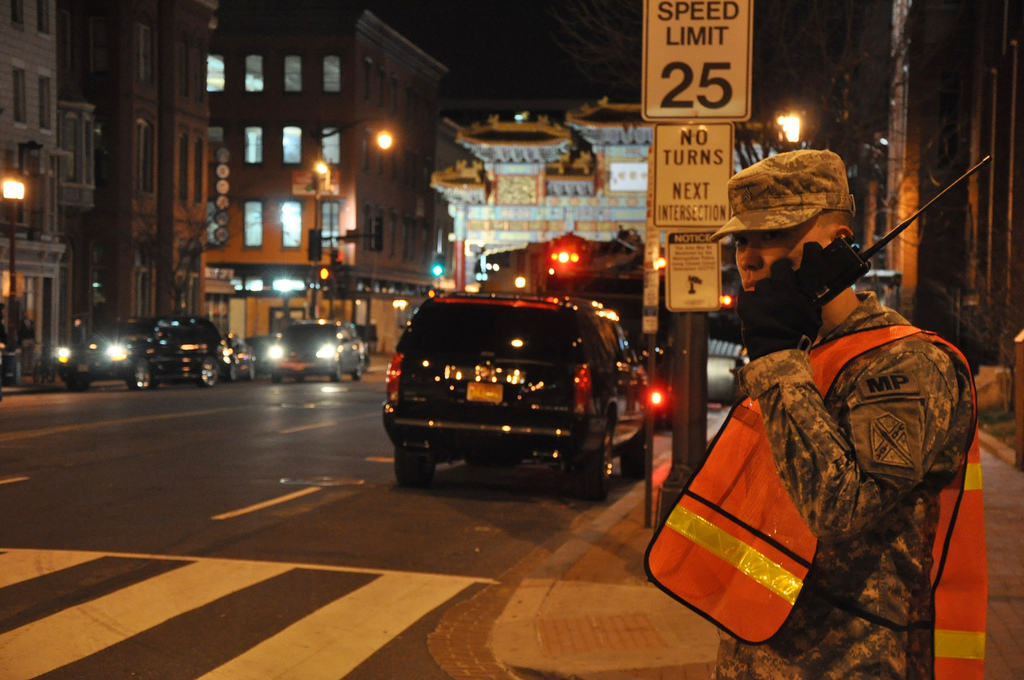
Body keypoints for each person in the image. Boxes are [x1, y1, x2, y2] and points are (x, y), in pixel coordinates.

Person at [646, 149, 984, 680]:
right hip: (757, 657)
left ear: (839, 241)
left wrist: (778, 361)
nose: (750, 258)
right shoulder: (800, 354)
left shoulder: (906, 363)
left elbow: (839, 509)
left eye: (774, 235)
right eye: (743, 240)